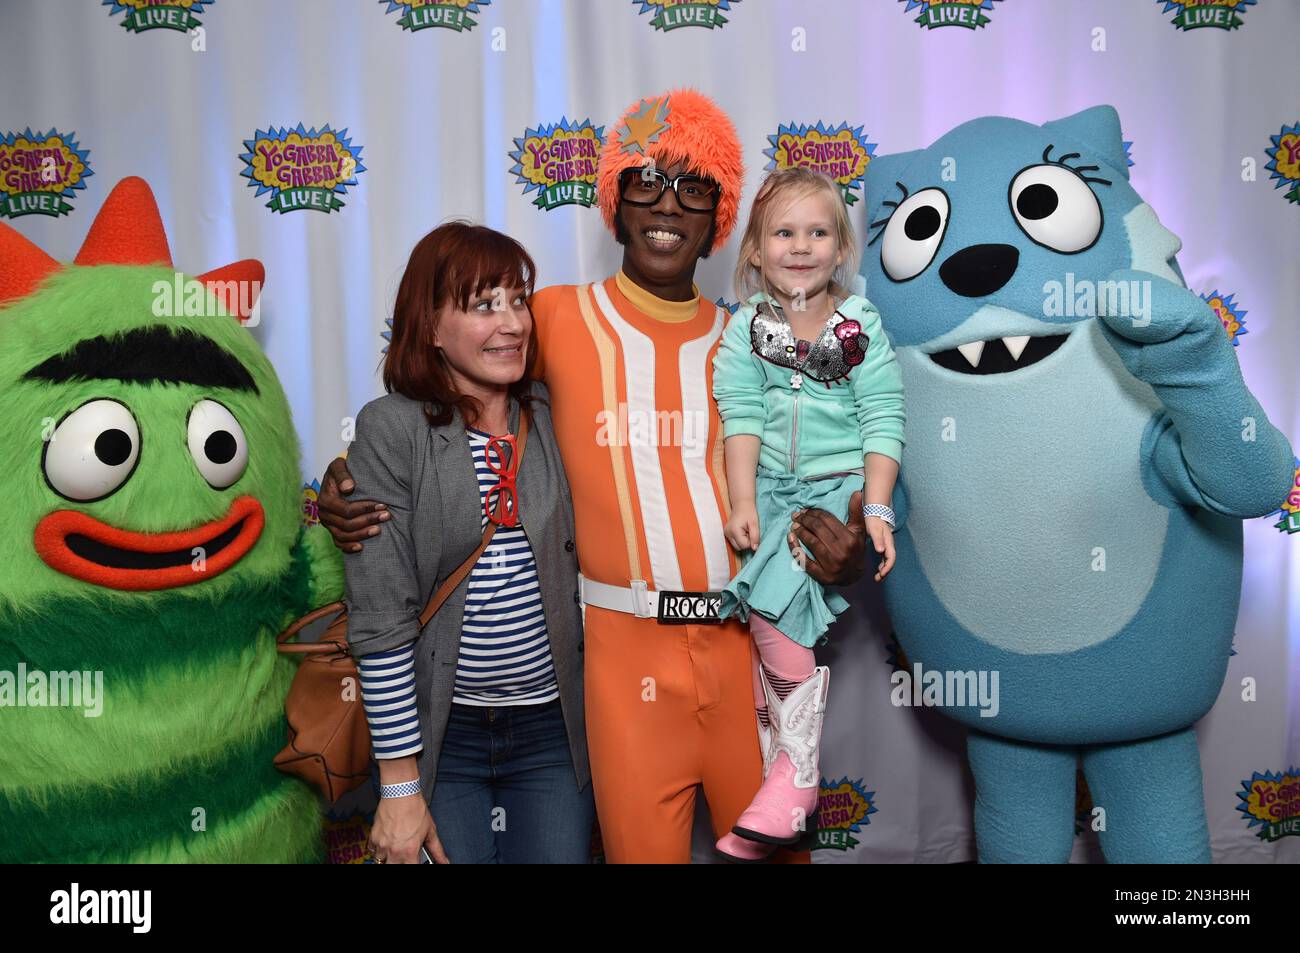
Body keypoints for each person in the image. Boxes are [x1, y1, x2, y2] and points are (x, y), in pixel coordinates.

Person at [320, 89, 869, 864]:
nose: (668, 205)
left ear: (721, 216)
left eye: (694, 186)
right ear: (614, 199)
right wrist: (346, 479)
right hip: (619, 658)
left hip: (746, 641)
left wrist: (864, 536)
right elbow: (443, 399)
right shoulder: (551, 320)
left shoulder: (758, 337)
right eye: (646, 180)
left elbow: (849, 441)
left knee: (781, 854)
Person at [343, 222, 591, 864]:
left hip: (551, 736)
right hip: (440, 740)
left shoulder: (552, 408)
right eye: (483, 305)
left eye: (517, 299)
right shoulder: (393, 429)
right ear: (429, 326)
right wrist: (400, 786)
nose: (511, 323)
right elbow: (382, 617)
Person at [711, 168, 904, 861]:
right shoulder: (745, 331)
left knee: (781, 603)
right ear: (757, 250)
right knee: (766, 613)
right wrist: (741, 500)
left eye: (818, 232)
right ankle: (787, 767)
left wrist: (874, 505)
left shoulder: (862, 327)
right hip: (770, 487)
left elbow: (883, 414)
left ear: (841, 245)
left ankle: (795, 774)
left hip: (835, 487)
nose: (801, 246)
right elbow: (742, 418)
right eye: (784, 232)